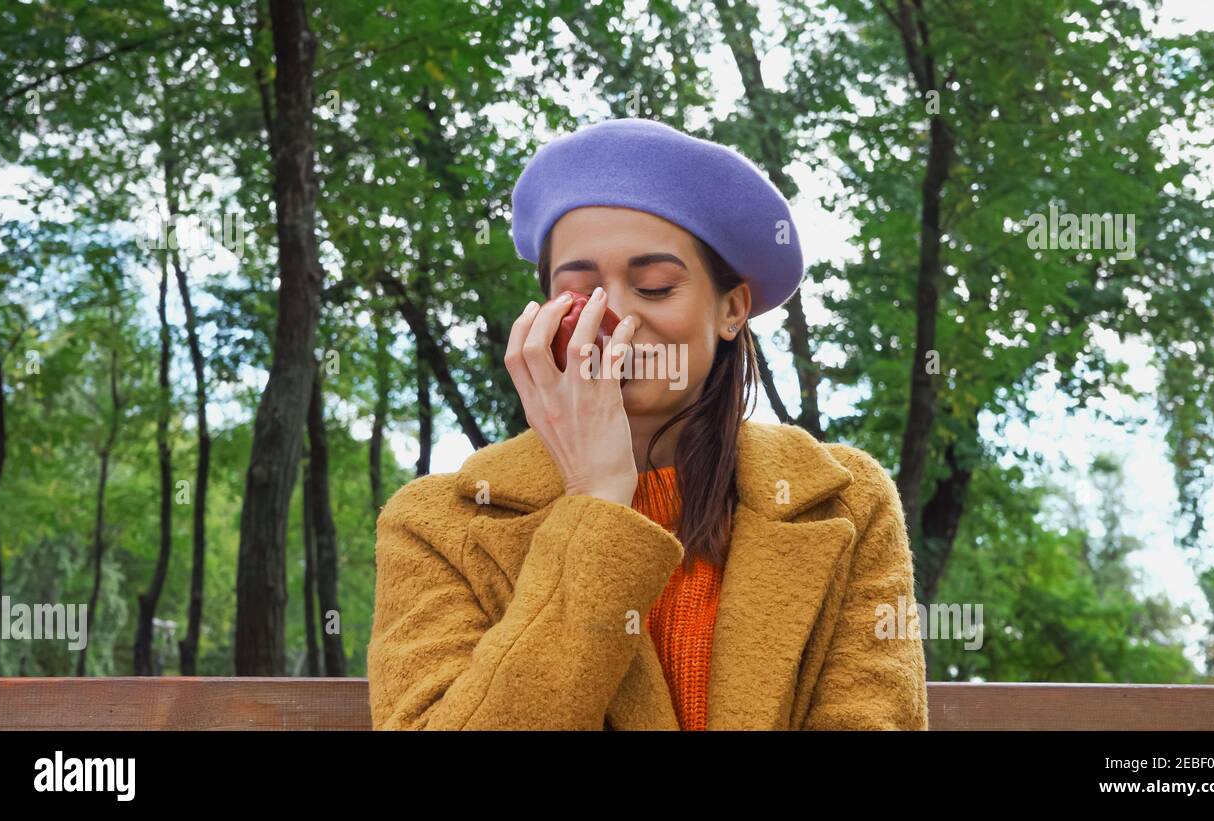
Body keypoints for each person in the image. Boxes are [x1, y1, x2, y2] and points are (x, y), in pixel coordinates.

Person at [367, 117, 928, 730]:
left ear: (732, 309)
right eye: (580, 294)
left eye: (656, 287)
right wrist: (597, 503)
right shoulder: (436, 526)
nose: (616, 321)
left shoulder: (846, 502)